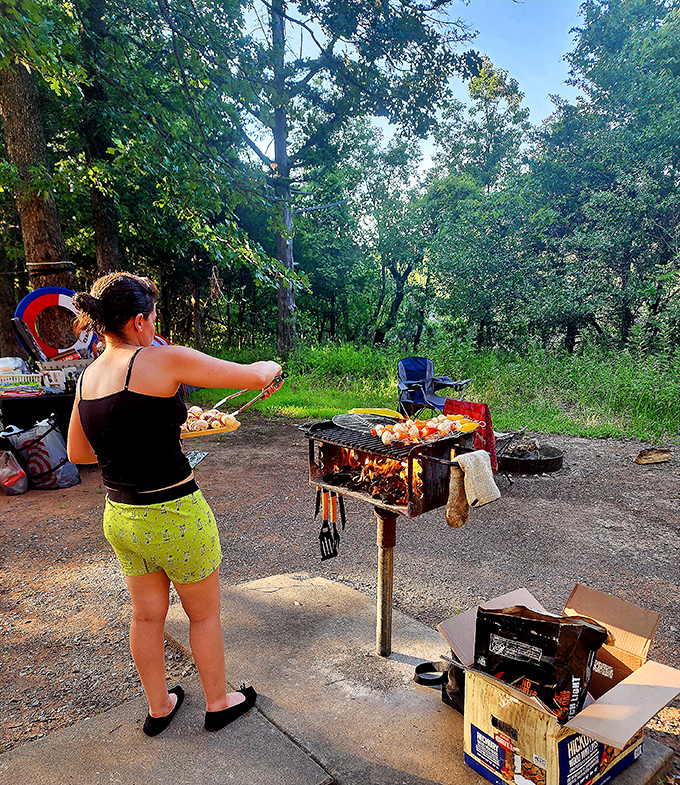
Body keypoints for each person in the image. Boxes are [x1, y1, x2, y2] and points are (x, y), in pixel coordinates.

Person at [67, 272, 282, 737]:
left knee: (146, 615)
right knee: (203, 615)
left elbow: (79, 454)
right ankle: (219, 702)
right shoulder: (162, 360)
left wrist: (141, 437)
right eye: (155, 317)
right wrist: (270, 365)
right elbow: (251, 377)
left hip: (120, 514)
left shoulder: (86, 377)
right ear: (140, 320)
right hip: (175, 512)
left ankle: (160, 706)